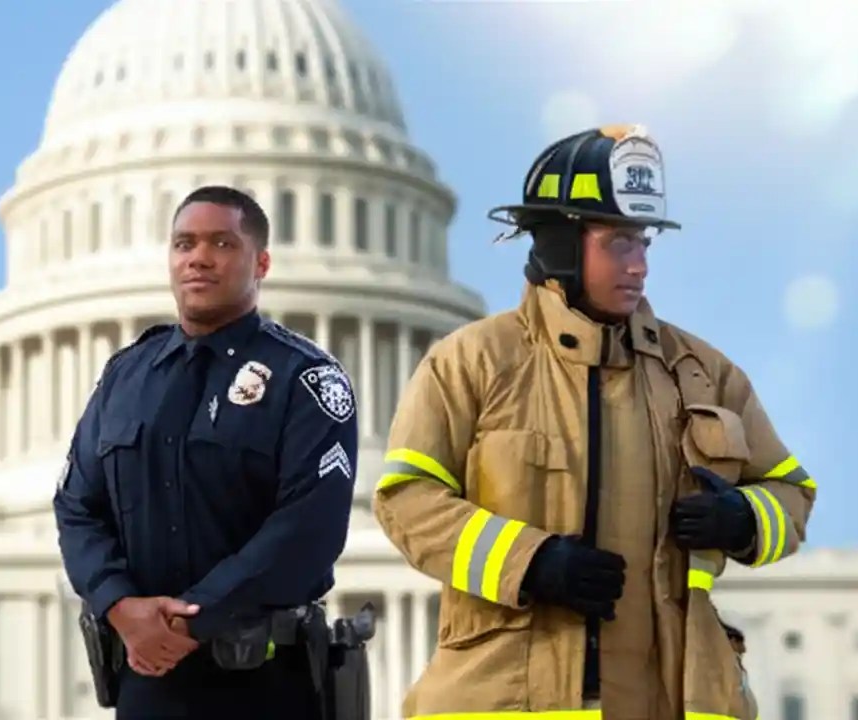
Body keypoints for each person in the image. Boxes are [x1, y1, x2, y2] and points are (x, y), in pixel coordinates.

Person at [372, 125, 817, 720]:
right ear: (559, 245)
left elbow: (792, 492)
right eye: (617, 243)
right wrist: (529, 560)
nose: (638, 267)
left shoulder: (707, 373)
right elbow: (407, 501)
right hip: (510, 700)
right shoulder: (471, 361)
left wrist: (744, 519)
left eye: (644, 244)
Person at [55, 185, 361, 719]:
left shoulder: (304, 379)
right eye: (184, 244)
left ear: (260, 261)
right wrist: (120, 605)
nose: (198, 257)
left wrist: (194, 618)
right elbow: (77, 505)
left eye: (222, 243)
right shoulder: (126, 377)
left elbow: (308, 529)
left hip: (266, 684)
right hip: (148, 680)